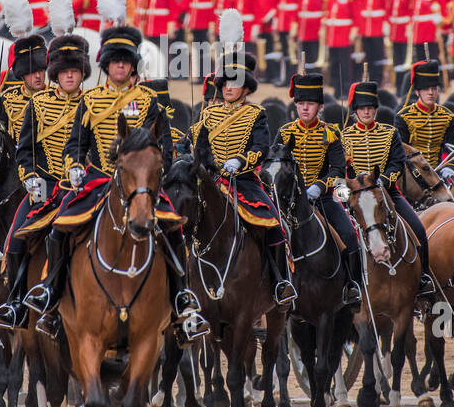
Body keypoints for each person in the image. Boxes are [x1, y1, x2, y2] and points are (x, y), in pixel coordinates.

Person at [39, 21, 208, 342]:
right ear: (106, 65)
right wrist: (74, 165)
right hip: (99, 181)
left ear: (132, 66)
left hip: (141, 185)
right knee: (61, 226)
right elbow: (75, 144)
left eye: (125, 61)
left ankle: (182, 298)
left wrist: (155, 177)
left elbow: (166, 148)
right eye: (115, 60)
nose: (120, 65)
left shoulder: (148, 101)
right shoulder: (89, 102)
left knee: (173, 228)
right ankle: (51, 296)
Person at [0, 29, 90, 331]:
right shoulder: (38, 105)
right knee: (17, 238)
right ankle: (17, 304)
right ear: (56, 74)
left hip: (83, 187)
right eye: (64, 72)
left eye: (75, 71)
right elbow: (24, 151)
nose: (69, 77)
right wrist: (31, 177)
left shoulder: (94, 104)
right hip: (45, 187)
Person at [192, 47, 296, 307]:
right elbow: (201, 148)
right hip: (212, 181)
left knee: (274, 224)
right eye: (225, 82)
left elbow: (261, 148)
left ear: (245, 88)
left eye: (234, 83)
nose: (228, 88)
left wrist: (240, 161)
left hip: (244, 181)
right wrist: (209, 167)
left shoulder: (255, 114)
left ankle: (280, 281)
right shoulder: (208, 114)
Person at [340, 80, 433, 296]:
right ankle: (349, 284)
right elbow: (341, 170)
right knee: (344, 238)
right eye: (362, 108)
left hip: (386, 192)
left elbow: (397, 163)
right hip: (355, 197)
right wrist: (348, 190)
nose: (366, 112)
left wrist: (384, 181)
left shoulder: (390, 133)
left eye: (370, 108)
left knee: (418, 230)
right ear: (356, 110)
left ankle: (424, 279)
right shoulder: (345, 136)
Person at [276, 72, 361, 305]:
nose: (305, 108)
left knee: (349, 236)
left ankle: (352, 286)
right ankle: (276, 285)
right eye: (301, 104)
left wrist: (318, 187)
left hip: (321, 199)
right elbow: (274, 165)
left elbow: (337, 170)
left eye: (310, 104)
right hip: (288, 202)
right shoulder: (284, 133)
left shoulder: (331, 133)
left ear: (319, 107)